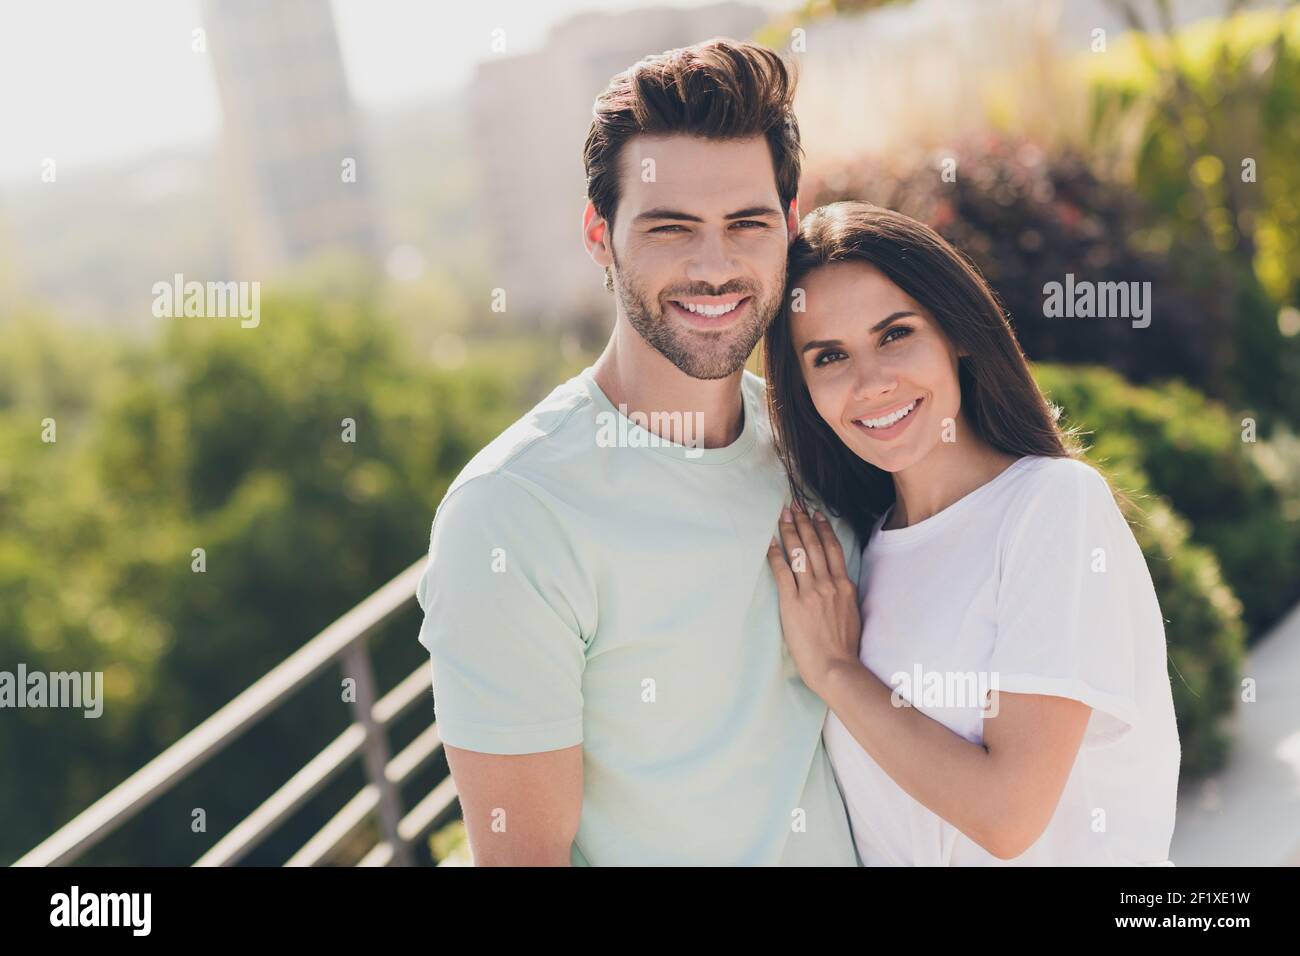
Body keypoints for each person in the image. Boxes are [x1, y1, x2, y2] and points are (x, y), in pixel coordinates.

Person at [415, 40, 859, 865]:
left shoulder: (821, 442)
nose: (715, 267)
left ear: (789, 230)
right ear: (599, 236)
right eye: (670, 228)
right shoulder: (512, 515)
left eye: (748, 224)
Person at [763, 201, 1182, 865]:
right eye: (829, 356)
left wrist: (838, 672)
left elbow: (1009, 815)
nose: (871, 383)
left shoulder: (1051, 506)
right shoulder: (858, 555)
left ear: (955, 332)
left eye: (895, 335)